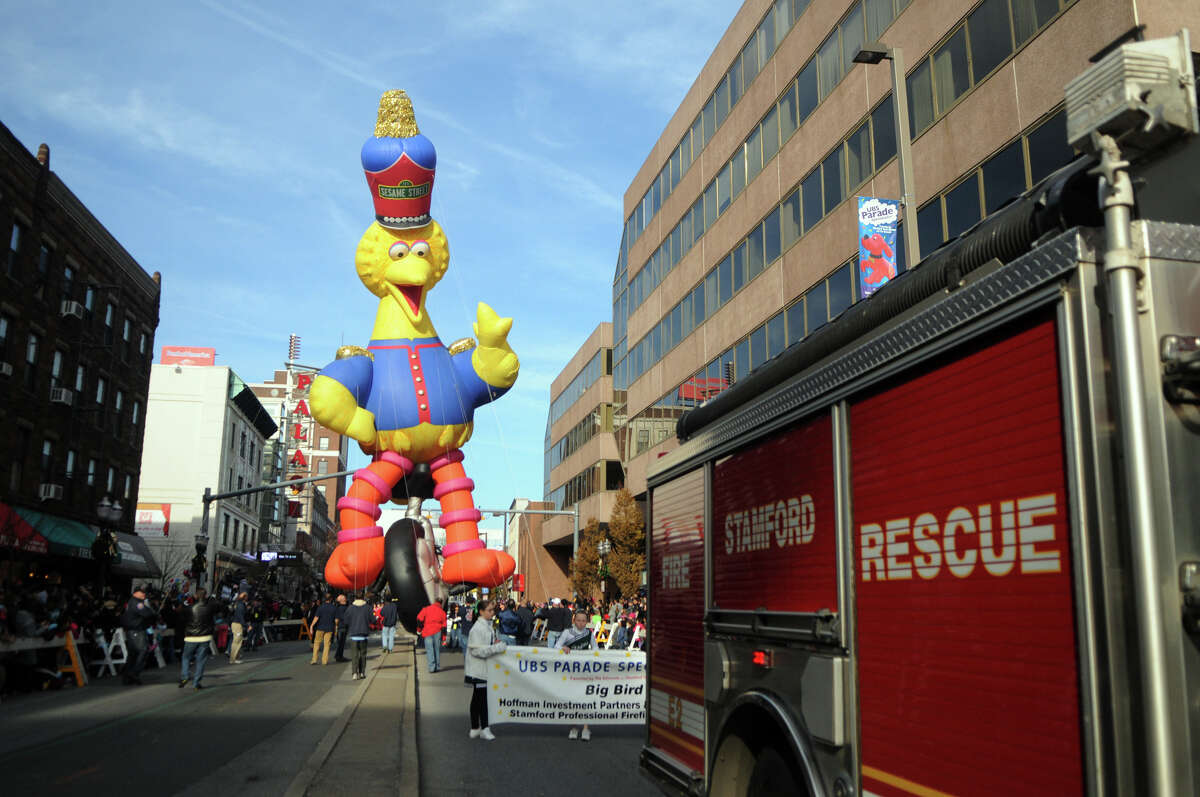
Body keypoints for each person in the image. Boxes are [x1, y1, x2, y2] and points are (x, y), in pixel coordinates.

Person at [464, 598, 506, 740]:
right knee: (482, 699)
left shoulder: (488, 626)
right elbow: (477, 651)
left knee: (477, 698)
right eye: (489, 610)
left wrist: (495, 643)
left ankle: (475, 727)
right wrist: (495, 648)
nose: (492, 613)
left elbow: (487, 644)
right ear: (481, 612)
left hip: (484, 669)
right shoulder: (477, 628)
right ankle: (484, 728)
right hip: (478, 670)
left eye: (493, 610)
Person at [557, 609, 598, 740]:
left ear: (587, 622)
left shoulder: (589, 634)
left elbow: (596, 649)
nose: (581, 623)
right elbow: (555, 646)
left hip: (585, 670)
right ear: (574, 620)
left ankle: (586, 728)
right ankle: (573, 727)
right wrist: (563, 648)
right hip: (570, 670)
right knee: (572, 699)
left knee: (586, 699)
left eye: (583, 621)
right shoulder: (567, 633)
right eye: (578, 620)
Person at [178, 588, 217, 690]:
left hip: (191, 637)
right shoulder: (210, 607)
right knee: (201, 660)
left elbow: (181, 616)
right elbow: (220, 608)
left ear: (196, 595)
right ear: (205, 595)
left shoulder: (189, 608)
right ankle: (196, 682)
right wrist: (211, 600)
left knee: (186, 658)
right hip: (204, 637)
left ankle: (185, 676)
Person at [119, 586, 157, 686]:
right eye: (142, 592)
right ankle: (133, 673)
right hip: (136, 630)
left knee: (133, 654)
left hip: (132, 630)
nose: (144, 594)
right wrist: (151, 608)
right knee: (143, 650)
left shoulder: (132, 601)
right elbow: (148, 613)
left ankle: (127, 676)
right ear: (136, 593)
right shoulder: (137, 603)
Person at [344, 594, 373, 680]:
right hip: (364, 634)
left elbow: (345, 620)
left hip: (353, 634)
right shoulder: (367, 608)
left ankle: (354, 673)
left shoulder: (350, 608)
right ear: (363, 598)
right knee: (363, 655)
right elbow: (373, 619)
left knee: (354, 655)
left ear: (355, 598)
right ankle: (362, 672)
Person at [416, 599, 446, 673]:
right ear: (441, 604)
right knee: (437, 649)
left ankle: (432, 667)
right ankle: (437, 666)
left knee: (430, 650)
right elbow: (444, 626)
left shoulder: (426, 609)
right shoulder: (442, 612)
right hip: (438, 631)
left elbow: (419, 619)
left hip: (427, 631)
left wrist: (419, 629)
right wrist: (444, 637)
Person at [310, 594, 338, 665]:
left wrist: (311, 626)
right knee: (327, 645)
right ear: (331, 599)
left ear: (324, 599)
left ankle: (314, 660)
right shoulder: (334, 608)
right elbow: (336, 620)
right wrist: (336, 628)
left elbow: (316, 618)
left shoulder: (320, 607)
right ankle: (324, 661)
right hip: (329, 628)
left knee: (316, 643)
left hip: (320, 628)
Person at [228, 592, 248, 664]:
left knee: (237, 641)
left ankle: (235, 657)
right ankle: (233, 659)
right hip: (237, 624)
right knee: (237, 642)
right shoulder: (240, 605)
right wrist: (246, 625)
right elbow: (241, 617)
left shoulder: (238, 604)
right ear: (244, 597)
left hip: (236, 624)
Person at [333, 594, 349, 662]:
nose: (346, 599)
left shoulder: (339, 607)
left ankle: (339, 655)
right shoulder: (342, 608)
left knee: (341, 642)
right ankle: (338, 656)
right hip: (341, 626)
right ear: (342, 600)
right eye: (344, 598)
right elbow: (341, 618)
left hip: (342, 626)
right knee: (341, 642)